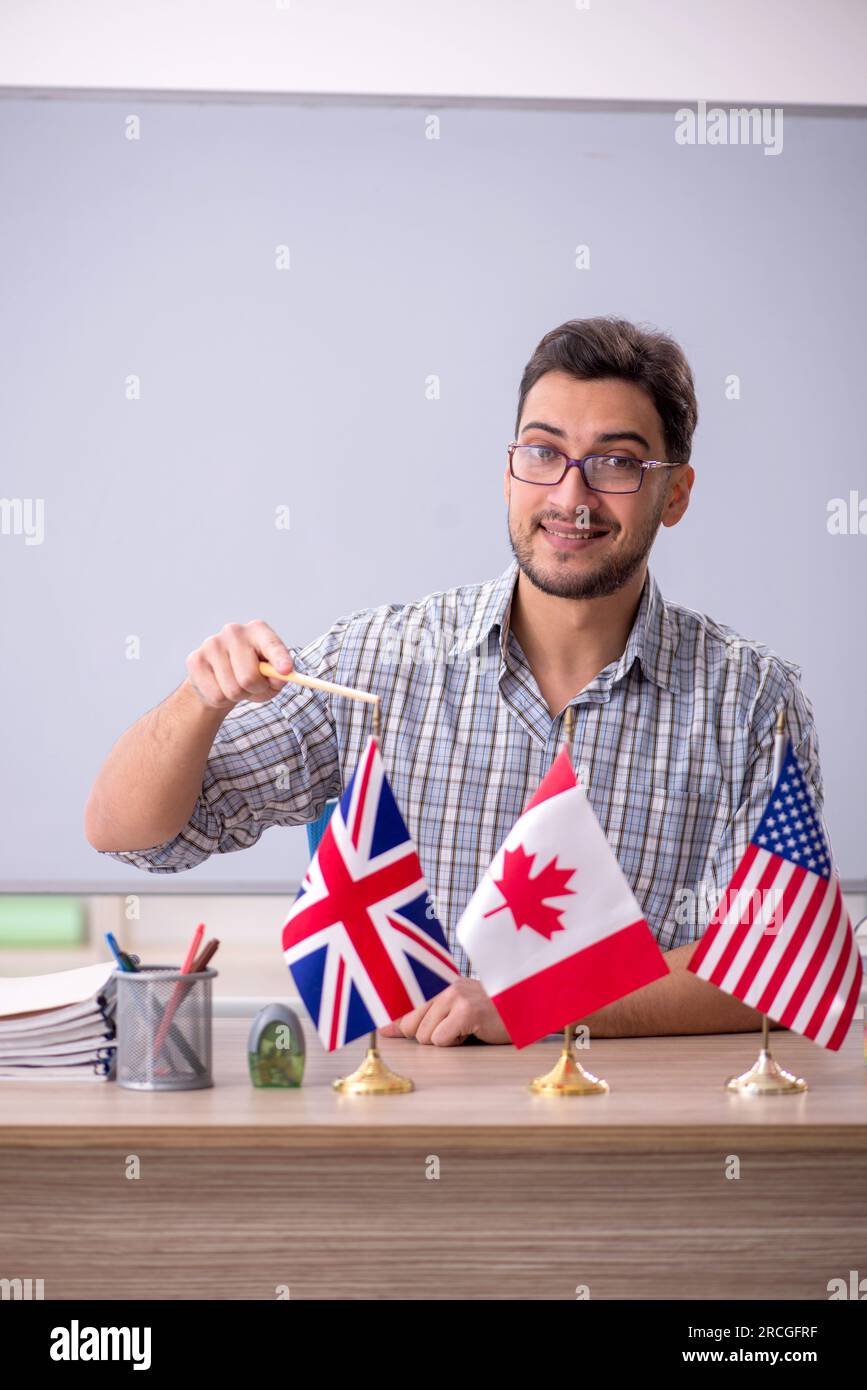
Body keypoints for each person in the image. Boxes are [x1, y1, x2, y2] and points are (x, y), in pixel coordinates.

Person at [85, 316, 823, 1046]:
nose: (571, 496)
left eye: (616, 463)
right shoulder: (376, 660)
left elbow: (772, 965)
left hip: (633, 1139)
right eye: (543, 453)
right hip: (407, 1116)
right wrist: (199, 700)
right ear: (509, 473)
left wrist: (537, 1005)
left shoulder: (752, 699)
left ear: (676, 494)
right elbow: (128, 834)